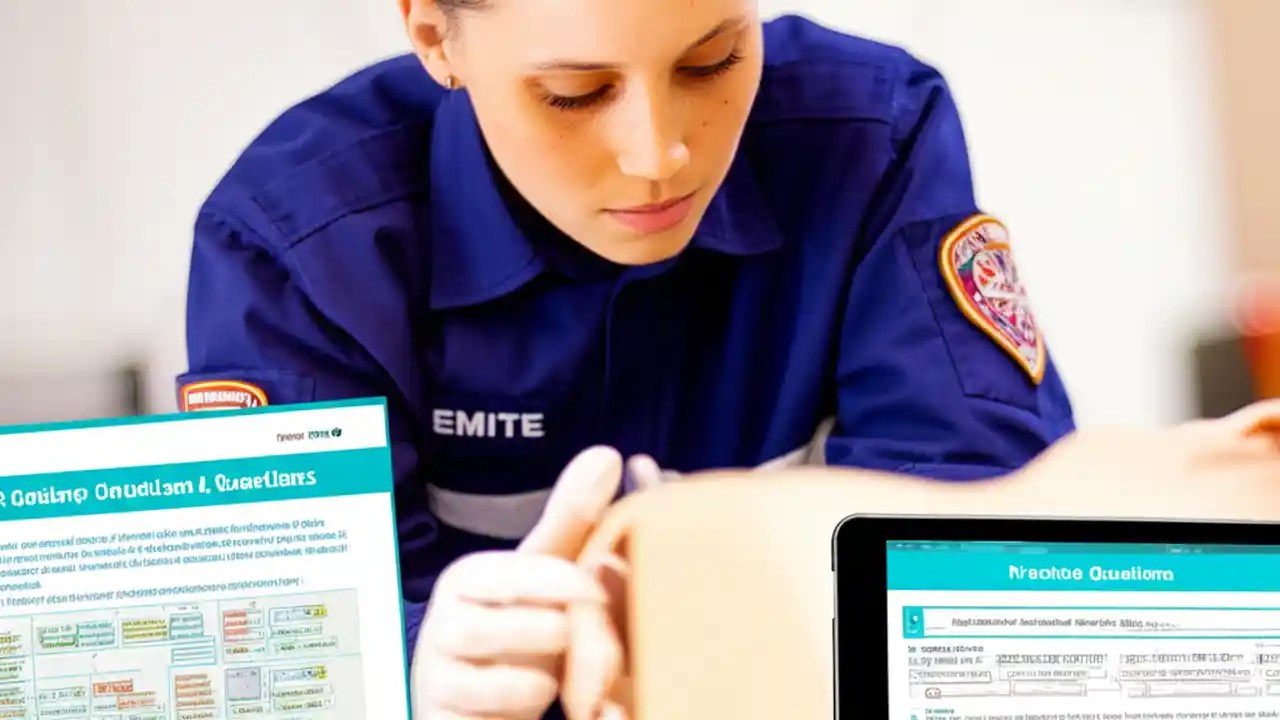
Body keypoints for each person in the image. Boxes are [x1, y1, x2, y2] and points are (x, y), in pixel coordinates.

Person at [178, 0, 1075, 717]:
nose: (661, 156)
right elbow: (281, 653)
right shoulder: (295, 245)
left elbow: (981, 557)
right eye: (573, 92)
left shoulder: (871, 138)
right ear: (432, 36)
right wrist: (413, 675)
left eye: (713, 61)